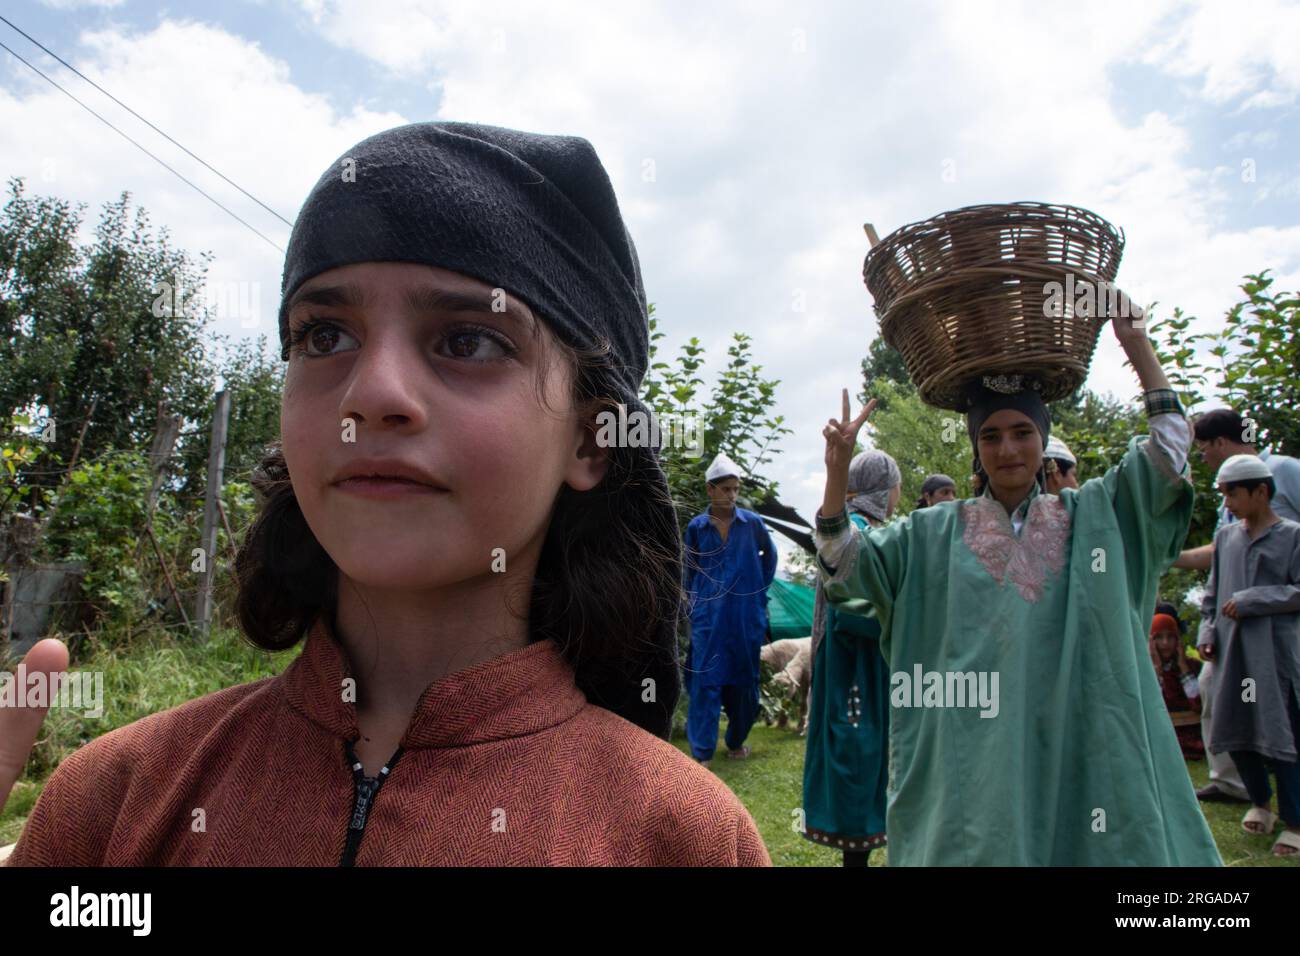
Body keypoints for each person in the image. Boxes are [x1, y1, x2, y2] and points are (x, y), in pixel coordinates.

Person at [2, 122, 770, 866]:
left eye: (469, 341)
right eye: (324, 336)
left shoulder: (683, 839)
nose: (372, 393)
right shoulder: (111, 804)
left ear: (590, 441)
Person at [812, 309, 1222, 865]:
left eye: (1023, 433)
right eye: (992, 436)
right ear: (976, 447)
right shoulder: (928, 535)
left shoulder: (1096, 516)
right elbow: (843, 563)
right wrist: (837, 474)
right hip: (971, 757)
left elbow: (1169, 455)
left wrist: (1138, 345)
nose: (1008, 450)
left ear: (1043, 439)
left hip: (1080, 737)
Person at [1174, 407, 1300, 803]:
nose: (1202, 457)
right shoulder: (1231, 519)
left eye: (1203, 448)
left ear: (1221, 443)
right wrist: (1166, 556)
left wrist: (1257, 597)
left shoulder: (1284, 470)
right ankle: (1238, 784)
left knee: (1282, 708)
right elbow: (1218, 559)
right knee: (1223, 695)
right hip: (1235, 627)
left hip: (1282, 625)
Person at [1196, 454, 1300, 857]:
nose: (1228, 503)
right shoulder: (1227, 538)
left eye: (1233, 493)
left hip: (1274, 657)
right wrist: (1208, 630)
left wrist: (1254, 599)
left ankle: (1294, 821)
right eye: (1223, 494)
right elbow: (1213, 590)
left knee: (1283, 734)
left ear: (1261, 491)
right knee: (1236, 732)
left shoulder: (1292, 535)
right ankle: (1260, 802)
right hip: (1231, 653)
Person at [802, 450, 900, 866]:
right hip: (853, 663)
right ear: (884, 486)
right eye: (895, 483)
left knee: (866, 756)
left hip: (862, 660)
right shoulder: (855, 530)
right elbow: (853, 610)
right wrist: (904, 612)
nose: (899, 493)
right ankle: (854, 857)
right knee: (856, 755)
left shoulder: (865, 527)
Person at [683, 453, 778, 766]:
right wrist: (691, 600)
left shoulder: (752, 524)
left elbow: (770, 556)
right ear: (710, 490)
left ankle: (736, 741)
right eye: (726, 489)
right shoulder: (697, 528)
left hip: (744, 617)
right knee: (706, 681)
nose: (732, 495)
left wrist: (758, 593)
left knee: (744, 682)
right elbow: (688, 567)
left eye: (736, 489)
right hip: (708, 618)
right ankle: (702, 753)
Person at [1149, 606, 1204, 760]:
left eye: (1170, 637)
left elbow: (1199, 705)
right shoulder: (1142, 670)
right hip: (1162, 739)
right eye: (1159, 637)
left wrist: (1183, 668)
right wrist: (1156, 670)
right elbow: (1151, 708)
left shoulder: (1193, 666)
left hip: (1193, 739)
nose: (1165, 643)